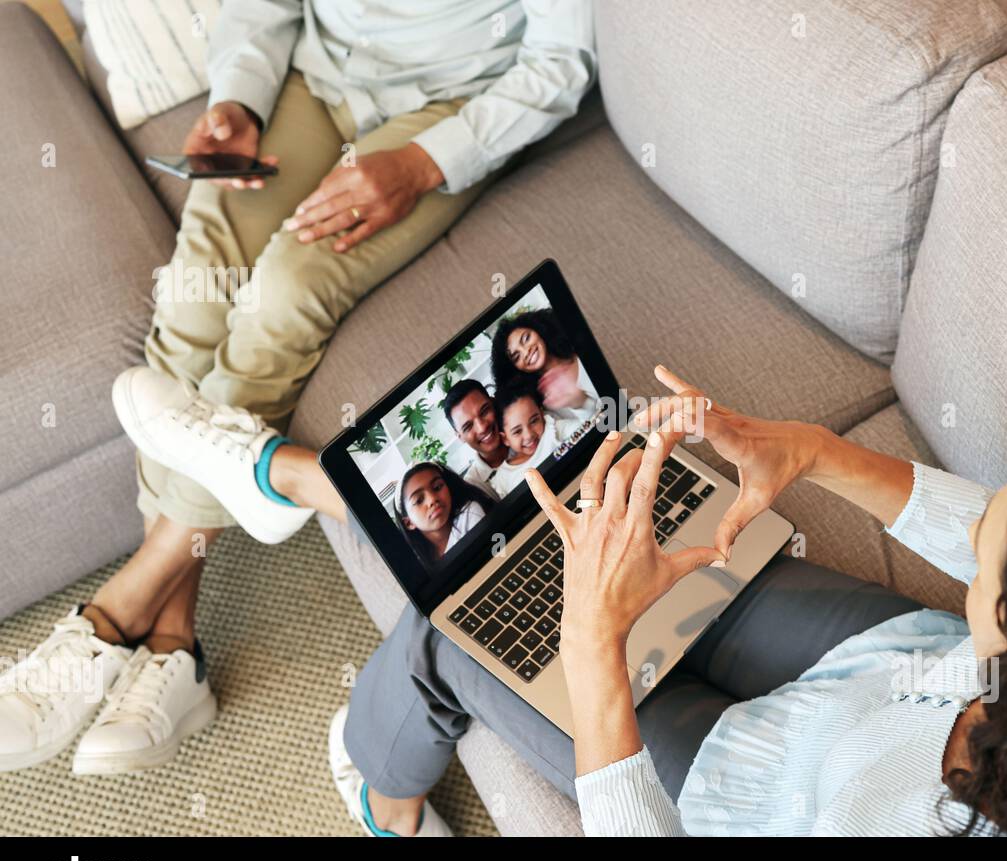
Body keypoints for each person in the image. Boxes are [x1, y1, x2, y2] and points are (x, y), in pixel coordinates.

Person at [0, 0, 595, 775]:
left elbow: (564, 58)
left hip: (447, 103)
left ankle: (118, 613)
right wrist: (237, 102)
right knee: (192, 291)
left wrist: (423, 163)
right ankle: (175, 641)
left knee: (283, 292)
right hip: (314, 75)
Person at [326, 365, 1007, 836]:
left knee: (452, 625)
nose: (976, 526)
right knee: (668, 537)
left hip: (773, 795)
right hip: (894, 669)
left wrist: (593, 651)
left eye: (989, 546)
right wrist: (817, 454)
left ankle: (386, 793)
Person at [490, 309, 598, 436]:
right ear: (515, 369)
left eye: (526, 338)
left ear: (539, 330)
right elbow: (587, 435)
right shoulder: (544, 404)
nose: (526, 352)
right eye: (516, 357)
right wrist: (580, 403)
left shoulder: (582, 346)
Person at [394, 463, 495, 574]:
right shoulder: (420, 566)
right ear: (408, 523)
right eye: (419, 500)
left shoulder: (469, 514)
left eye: (437, 487)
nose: (432, 499)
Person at [490, 380, 564, 497]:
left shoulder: (553, 431)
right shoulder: (503, 479)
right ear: (505, 439)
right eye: (517, 431)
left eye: (534, 421)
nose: (529, 435)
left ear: (541, 413)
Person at [441, 379, 510, 500]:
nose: (482, 427)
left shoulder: (527, 426)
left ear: (493, 402)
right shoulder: (473, 487)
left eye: (484, 411)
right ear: (460, 437)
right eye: (468, 426)